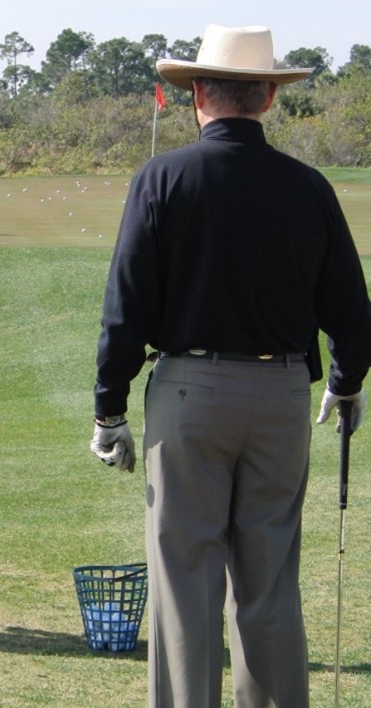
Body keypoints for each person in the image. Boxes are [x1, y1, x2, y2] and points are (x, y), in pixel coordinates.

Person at [89, 25, 371, 707]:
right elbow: (354, 315)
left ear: (196, 97)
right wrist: (346, 383)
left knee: (186, 583)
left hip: (189, 394)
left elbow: (126, 305)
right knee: (268, 583)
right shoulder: (310, 188)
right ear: (270, 97)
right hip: (280, 399)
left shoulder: (162, 177)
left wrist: (109, 409)